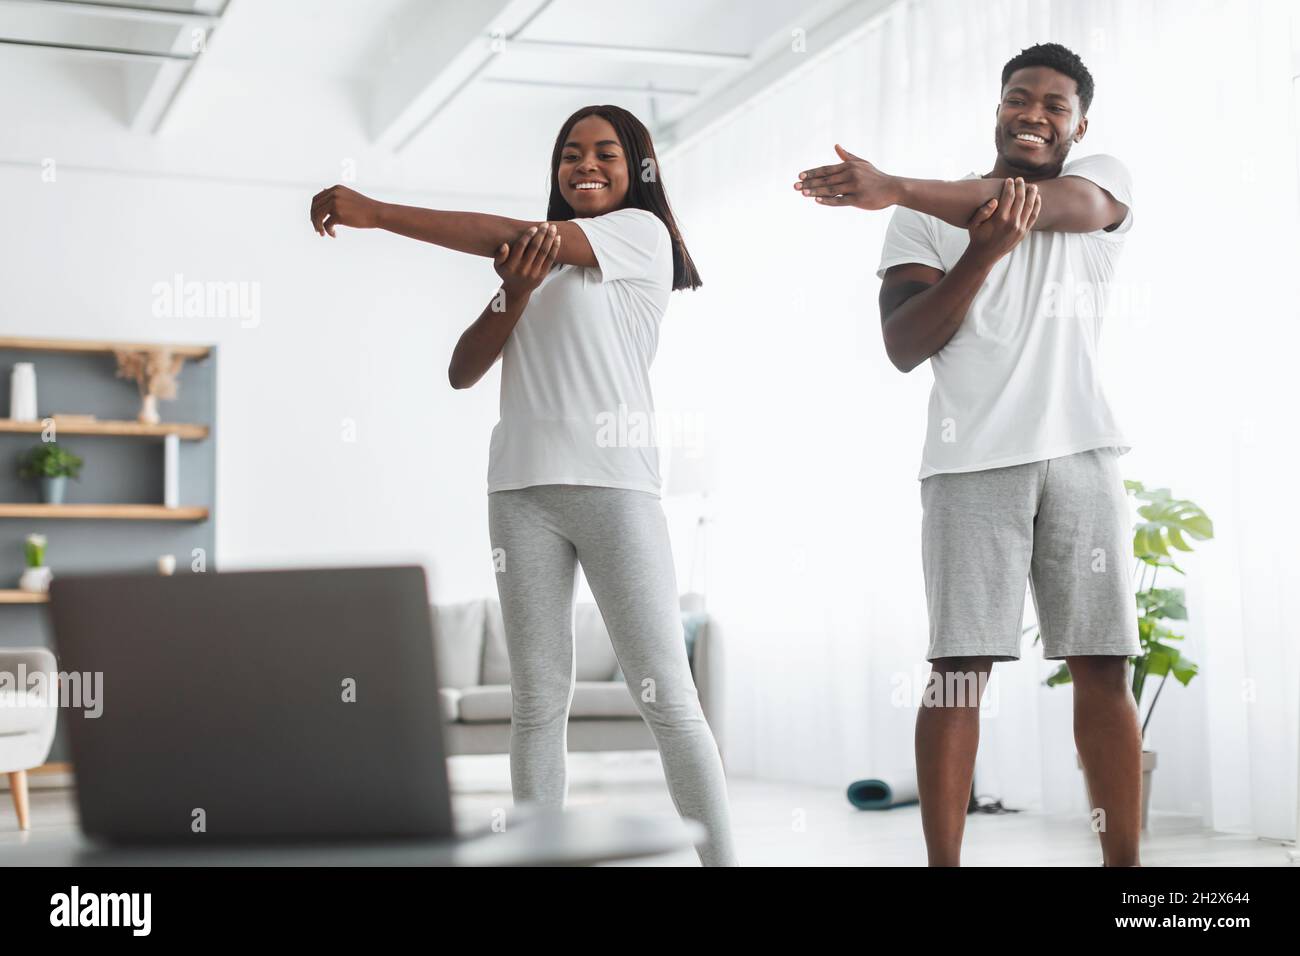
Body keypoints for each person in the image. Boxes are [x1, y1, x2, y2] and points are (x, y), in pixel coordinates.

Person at [309, 104, 738, 867]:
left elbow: (504, 235)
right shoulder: (533, 268)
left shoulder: (642, 236)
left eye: (606, 152)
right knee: (538, 704)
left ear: (637, 168)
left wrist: (375, 211)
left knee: (667, 698)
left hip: (615, 490)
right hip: (520, 493)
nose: (586, 165)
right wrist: (512, 290)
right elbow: (463, 370)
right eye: (571, 153)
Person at [794, 42, 1142, 866]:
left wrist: (897, 182)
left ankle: (1127, 875)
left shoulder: (1101, 179)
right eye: (1020, 97)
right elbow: (904, 345)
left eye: (1054, 105)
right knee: (958, 670)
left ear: (1078, 123)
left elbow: (1057, 207)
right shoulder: (921, 221)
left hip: (1082, 455)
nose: (1034, 113)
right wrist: (981, 252)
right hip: (970, 461)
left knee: (1103, 666)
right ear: (997, 108)